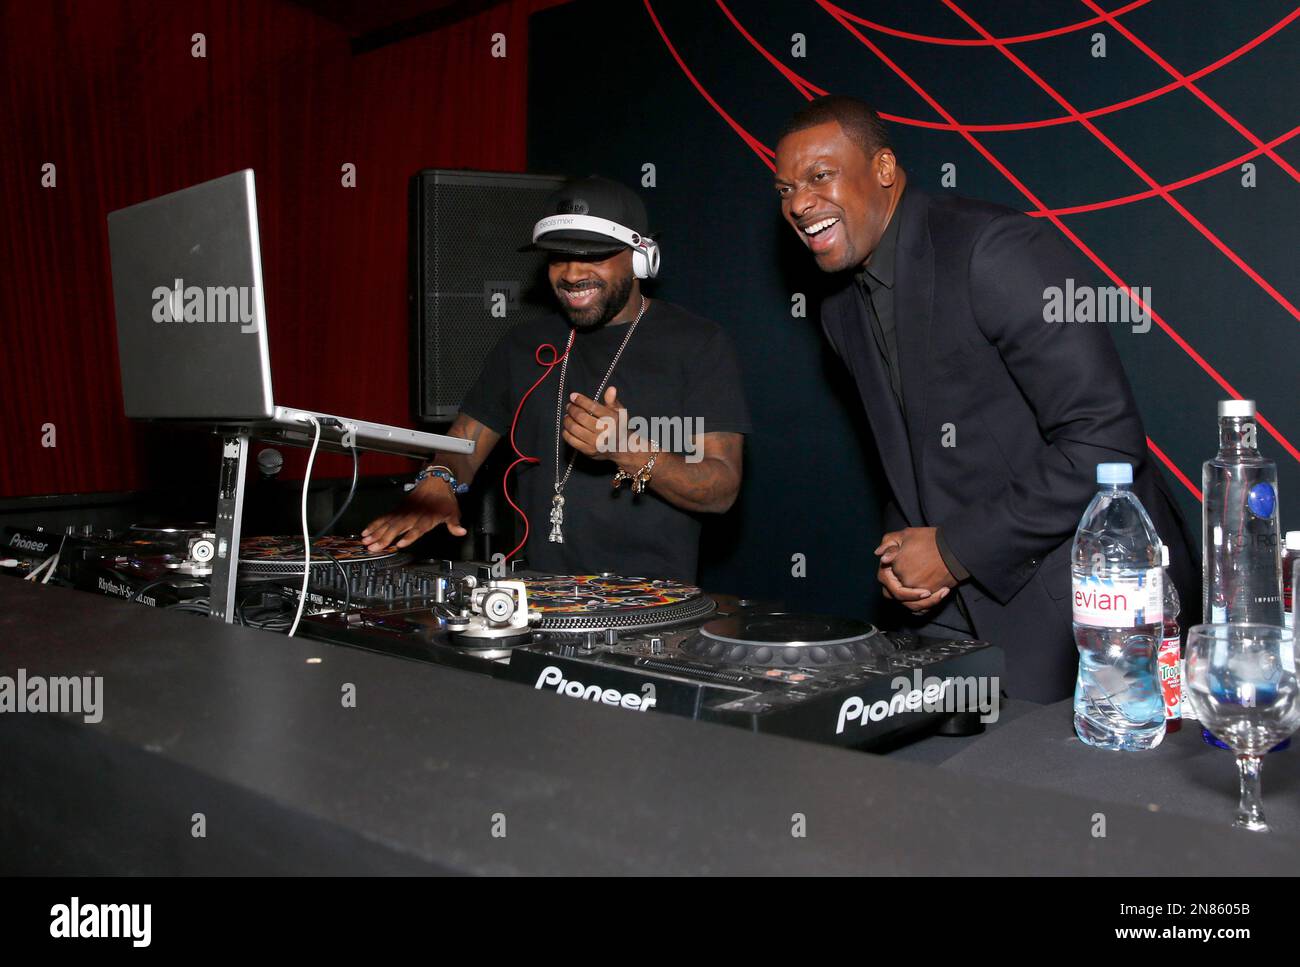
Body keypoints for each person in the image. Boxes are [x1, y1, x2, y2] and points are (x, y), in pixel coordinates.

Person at [773, 95, 1198, 702]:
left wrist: (952, 551)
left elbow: (1104, 442)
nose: (799, 203)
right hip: (947, 613)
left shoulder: (992, 248)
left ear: (884, 168)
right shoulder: (839, 308)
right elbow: (910, 454)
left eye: (820, 176)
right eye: (786, 189)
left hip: (1086, 602)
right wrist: (906, 556)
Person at [362, 176, 751, 583]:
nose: (571, 273)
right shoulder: (522, 345)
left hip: (651, 601)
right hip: (537, 598)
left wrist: (629, 450)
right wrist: (439, 479)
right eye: (559, 257)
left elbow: (721, 488)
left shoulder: (698, 345)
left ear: (641, 260)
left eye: (594, 256)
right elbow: (464, 446)